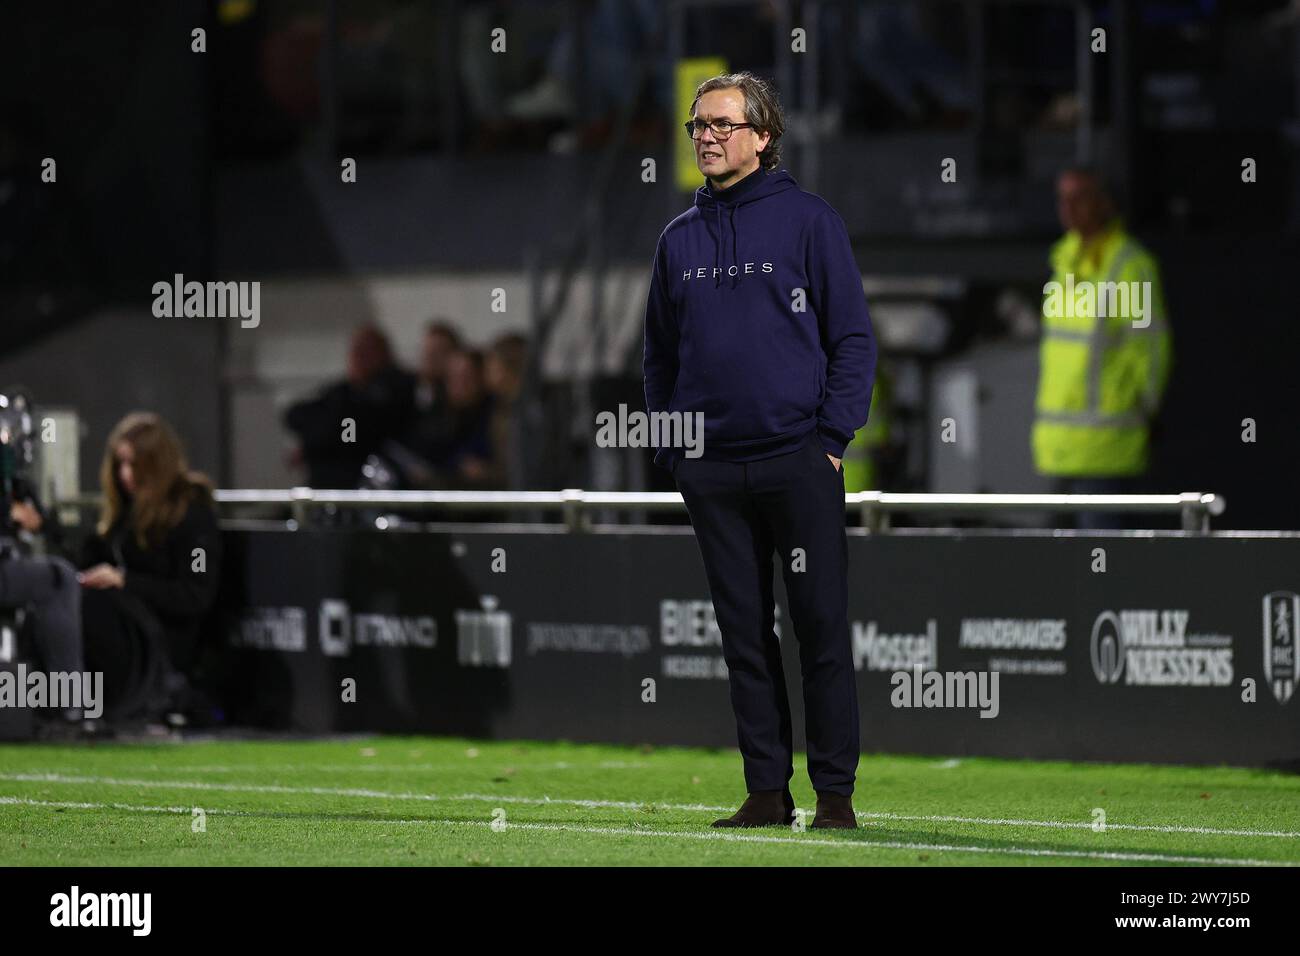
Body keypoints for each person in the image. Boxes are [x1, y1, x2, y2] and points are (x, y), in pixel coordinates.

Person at [642, 72, 876, 830]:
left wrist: (830, 442)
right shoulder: (677, 239)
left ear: (763, 135)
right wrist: (677, 450)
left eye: (722, 124)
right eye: (697, 126)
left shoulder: (810, 221)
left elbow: (852, 339)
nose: (706, 137)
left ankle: (835, 795)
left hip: (798, 460)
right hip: (712, 471)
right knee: (743, 636)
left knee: (821, 630)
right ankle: (767, 793)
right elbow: (658, 359)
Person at [1032, 167, 1173, 530]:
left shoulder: (1130, 267)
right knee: (1056, 556)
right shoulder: (1064, 261)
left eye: (1080, 198)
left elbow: (1150, 351)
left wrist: (1142, 410)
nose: (1068, 208)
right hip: (1058, 447)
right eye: (1062, 198)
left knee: (1100, 555)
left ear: (1106, 203)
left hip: (1107, 447)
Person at [77, 412, 222, 723]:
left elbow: (195, 595)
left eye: (135, 466)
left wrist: (125, 582)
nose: (125, 475)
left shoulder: (194, 519)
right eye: (120, 465)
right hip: (126, 628)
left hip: (163, 641)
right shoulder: (122, 518)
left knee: (92, 611)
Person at [284, 324, 416, 489]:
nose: (357, 357)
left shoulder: (396, 388)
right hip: (327, 483)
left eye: (365, 352)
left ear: (383, 354)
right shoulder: (341, 391)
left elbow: (352, 436)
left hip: (367, 481)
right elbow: (295, 414)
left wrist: (310, 445)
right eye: (355, 351)